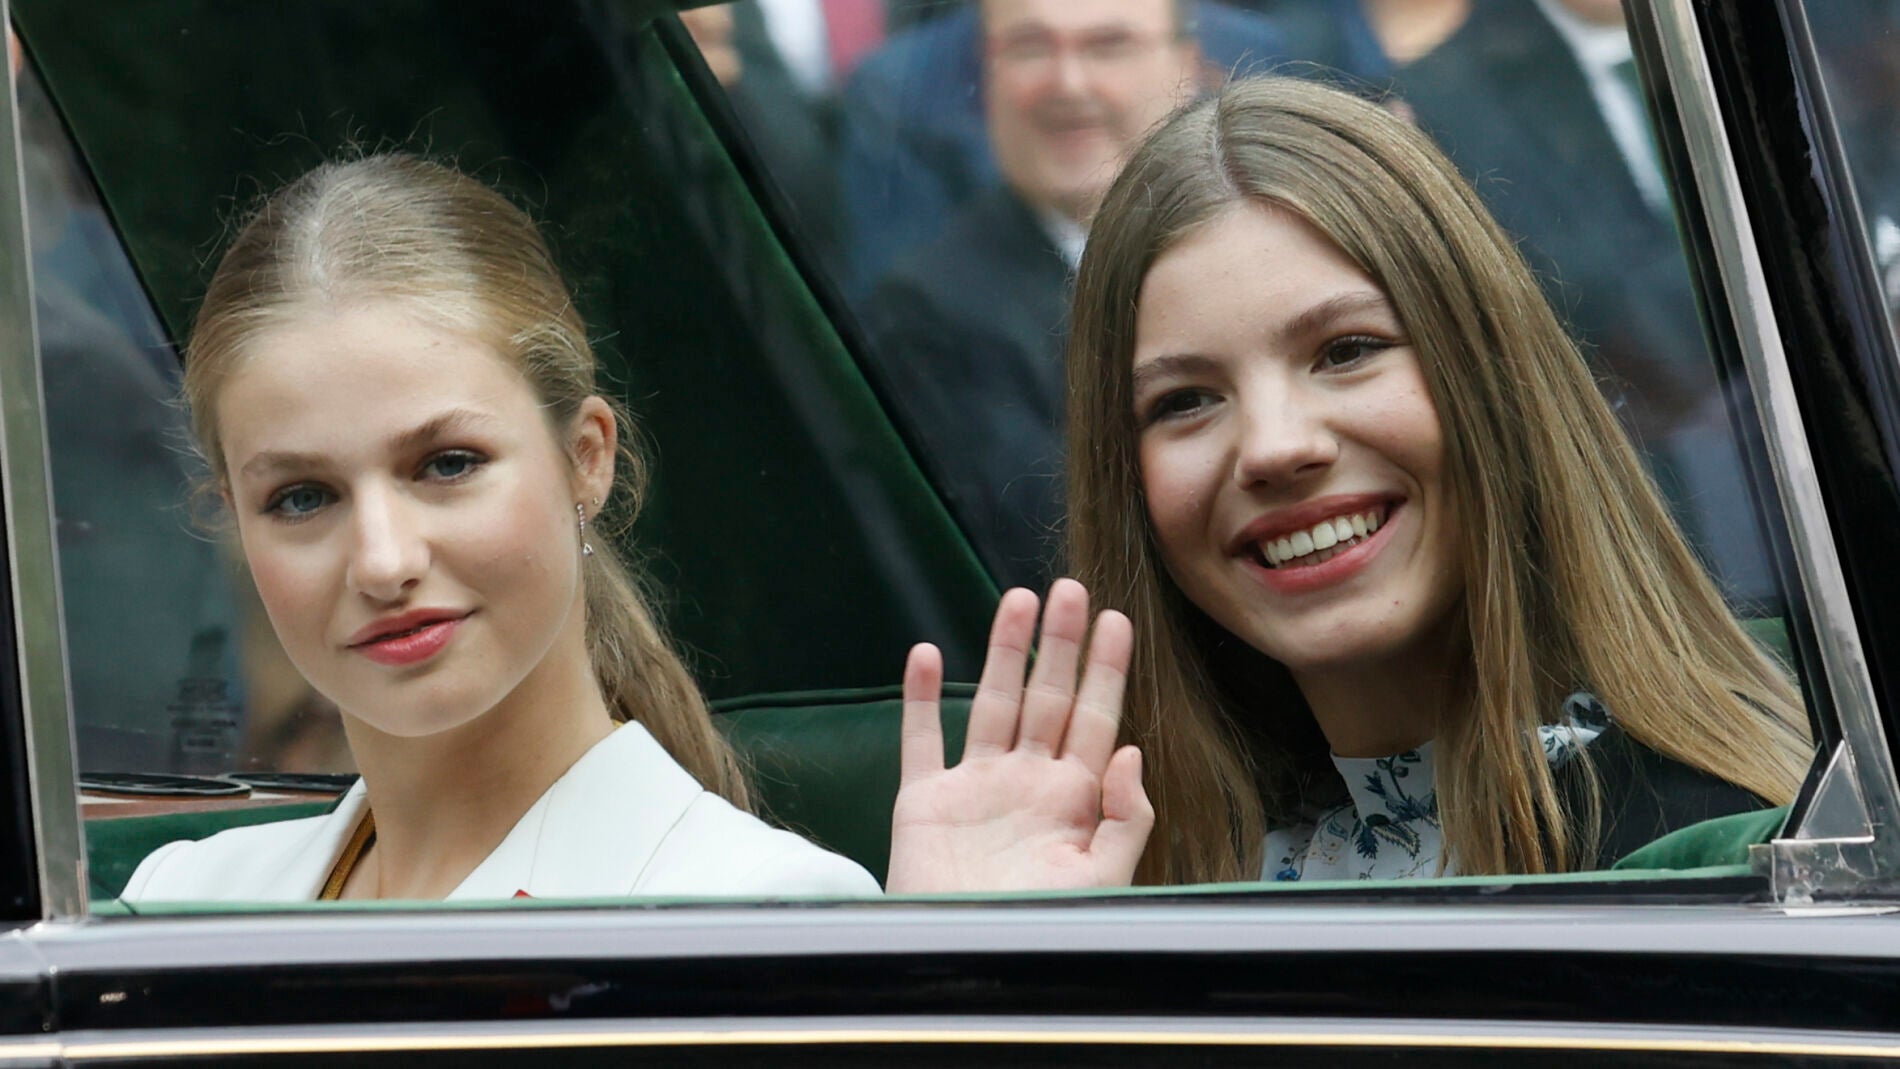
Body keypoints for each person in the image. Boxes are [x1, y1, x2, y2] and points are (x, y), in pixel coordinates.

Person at [898, 76, 1813, 888]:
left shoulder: (1745, 859)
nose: (1273, 446)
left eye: (1347, 350)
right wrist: (965, 974)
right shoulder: (1116, 883)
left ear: (1496, 381)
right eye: (1184, 401)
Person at [119, 155, 881, 901]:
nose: (384, 562)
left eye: (447, 464)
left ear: (586, 457)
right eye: (301, 498)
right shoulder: (180, 896)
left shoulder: (765, 909)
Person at [858, 0, 1204, 592]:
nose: (1067, 84)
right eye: (1031, 47)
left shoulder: (1244, 254)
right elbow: (1046, 552)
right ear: (986, 72)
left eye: (1108, 45)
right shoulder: (923, 315)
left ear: (1188, 66)